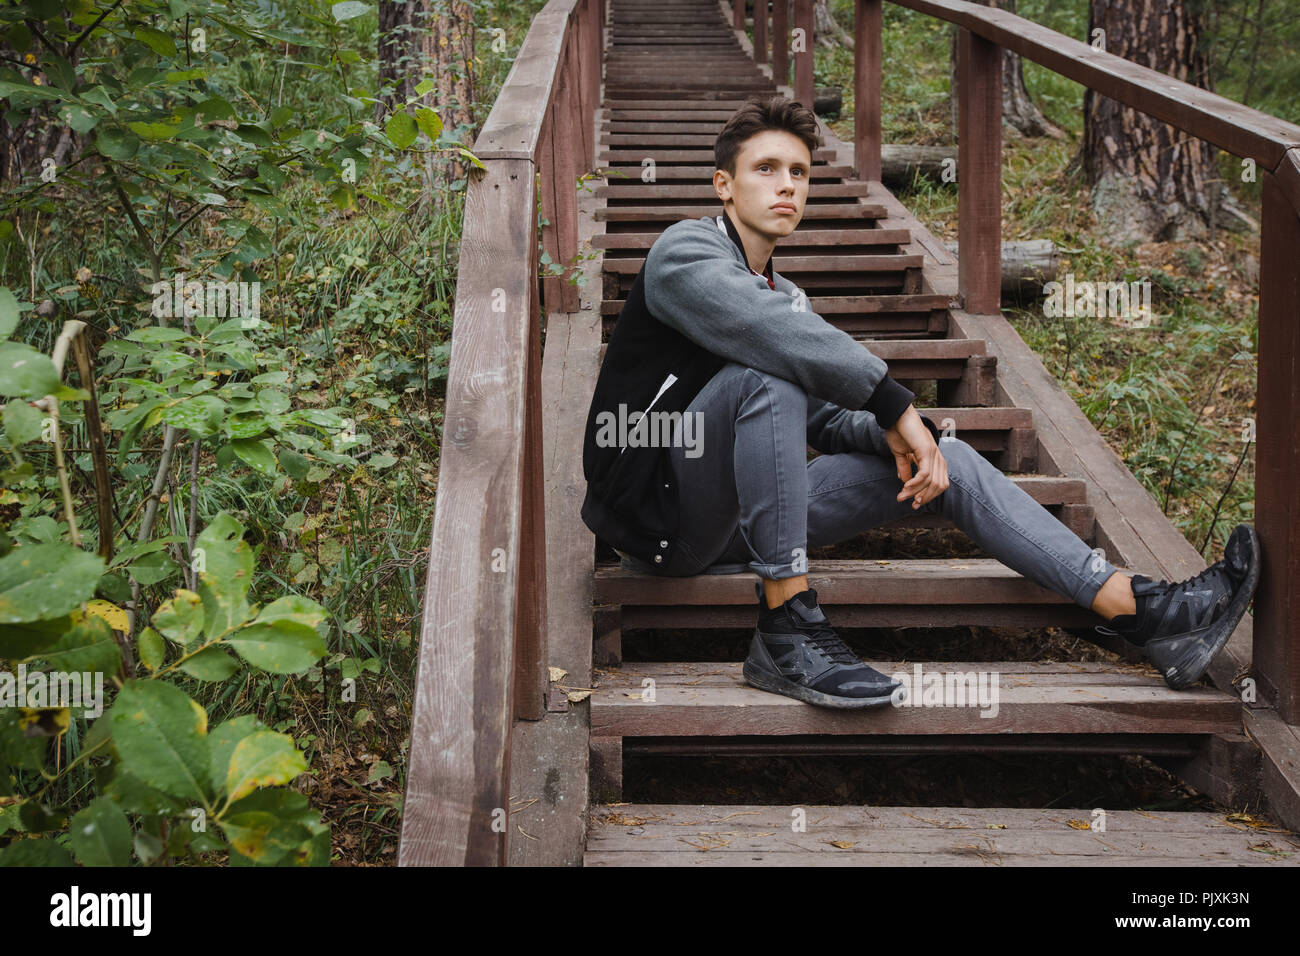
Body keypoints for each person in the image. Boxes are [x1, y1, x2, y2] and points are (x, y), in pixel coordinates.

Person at [580, 94, 1261, 709]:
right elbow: (773, 345)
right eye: (766, 169)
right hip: (658, 514)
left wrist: (906, 434)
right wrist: (893, 403)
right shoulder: (683, 253)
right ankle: (786, 626)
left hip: (736, 515)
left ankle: (1148, 613)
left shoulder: (787, 297)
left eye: (800, 172)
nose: (787, 184)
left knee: (953, 460)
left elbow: (818, 417)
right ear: (724, 185)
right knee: (772, 375)